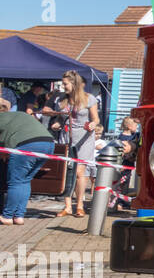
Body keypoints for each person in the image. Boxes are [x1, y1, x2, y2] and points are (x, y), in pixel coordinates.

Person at [54, 70, 100, 219]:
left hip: (84, 139)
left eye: (65, 84)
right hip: (66, 137)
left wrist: (93, 124)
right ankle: (67, 206)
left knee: (80, 172)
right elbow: (60, 120)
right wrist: (56, 123)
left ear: (74, 84)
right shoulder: (61, 99)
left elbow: (96, 119)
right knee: (67, 172)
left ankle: (79, 205)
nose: (63, 87)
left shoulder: (89, 98)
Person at [0, 103, 57, 225]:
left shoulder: (2, 118)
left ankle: (7, 216)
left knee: (15, 181)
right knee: (25, 180)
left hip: (27, 145)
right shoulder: (19, 115)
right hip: (49, 144)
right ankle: (19, 216)